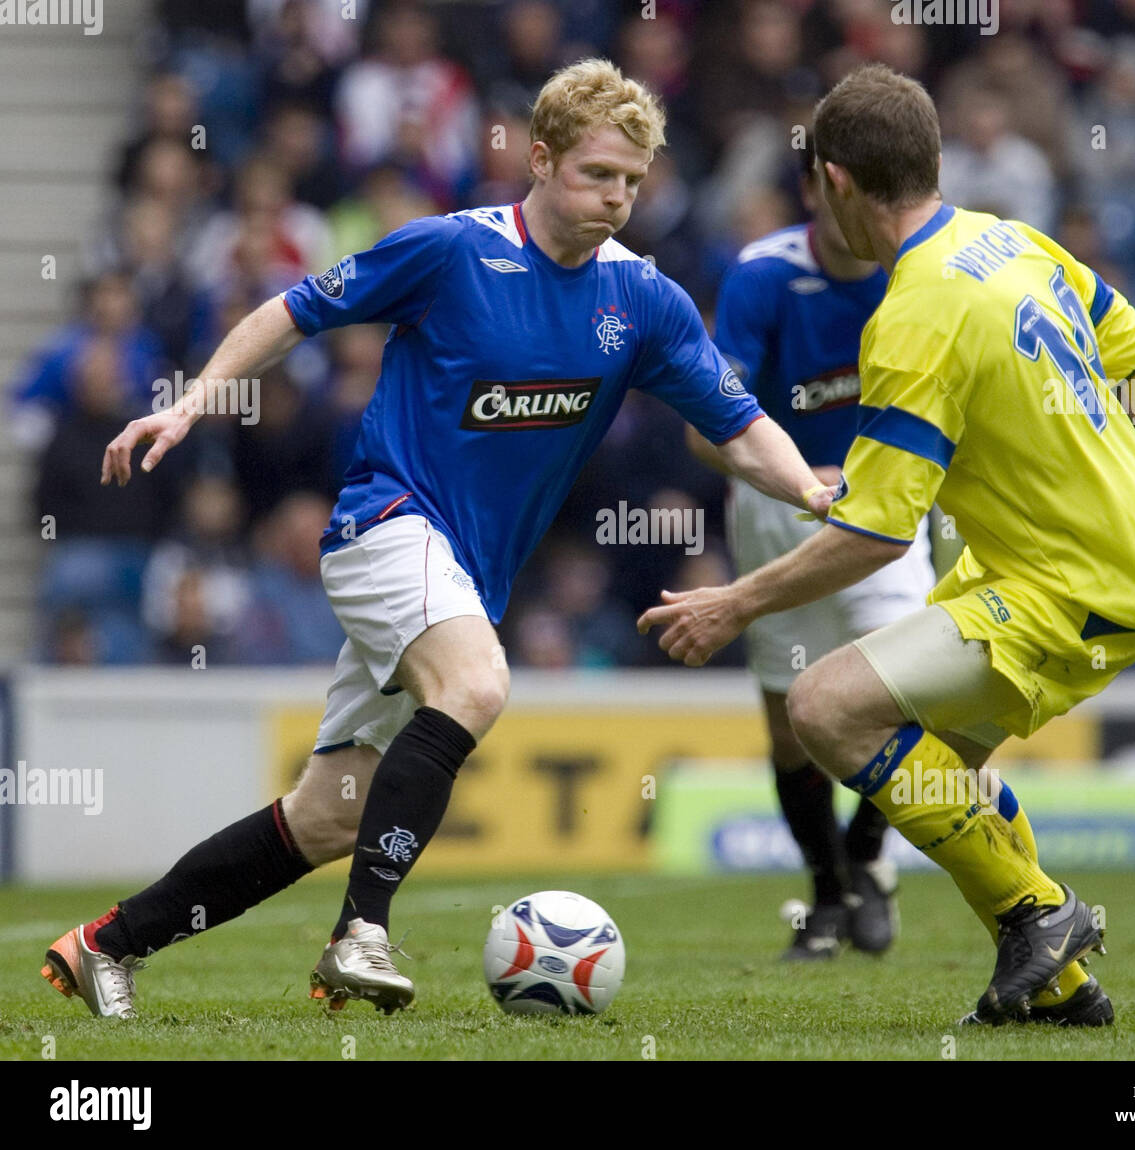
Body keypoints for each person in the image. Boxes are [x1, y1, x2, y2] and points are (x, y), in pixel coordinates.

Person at [41, 59, 836, 1020]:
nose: (617, 198)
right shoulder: (452, 251)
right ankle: (361, 935)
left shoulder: (645, 301)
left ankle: (104, 945)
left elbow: (737, 422)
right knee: (478, 685)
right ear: (539, 160)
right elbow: (295, 310)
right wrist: (195, 401)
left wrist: (808, 488)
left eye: (633, 180)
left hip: (466, 572)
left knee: (329, 815)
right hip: (386, 524)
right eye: (597, 175)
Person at [640, 64, 1135, 1027]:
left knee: (824, 708)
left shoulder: (914, 313)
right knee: (948, 767)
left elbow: (873, 532)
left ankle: (1038, 910)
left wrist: (732, 605)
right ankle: (1063, 990)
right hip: (1113, 572)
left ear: (836, 181)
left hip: (1058, 589)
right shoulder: (1010, 239)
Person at [687, 149, 933, 960]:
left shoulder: (923, 271)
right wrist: (802, 477)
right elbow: (709, 424)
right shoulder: (762, 277)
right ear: (816, 191)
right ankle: (827, 897)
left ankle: (864, 859)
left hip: (885, 511)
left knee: (910, 694)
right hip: (776, 514)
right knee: (789, 722)